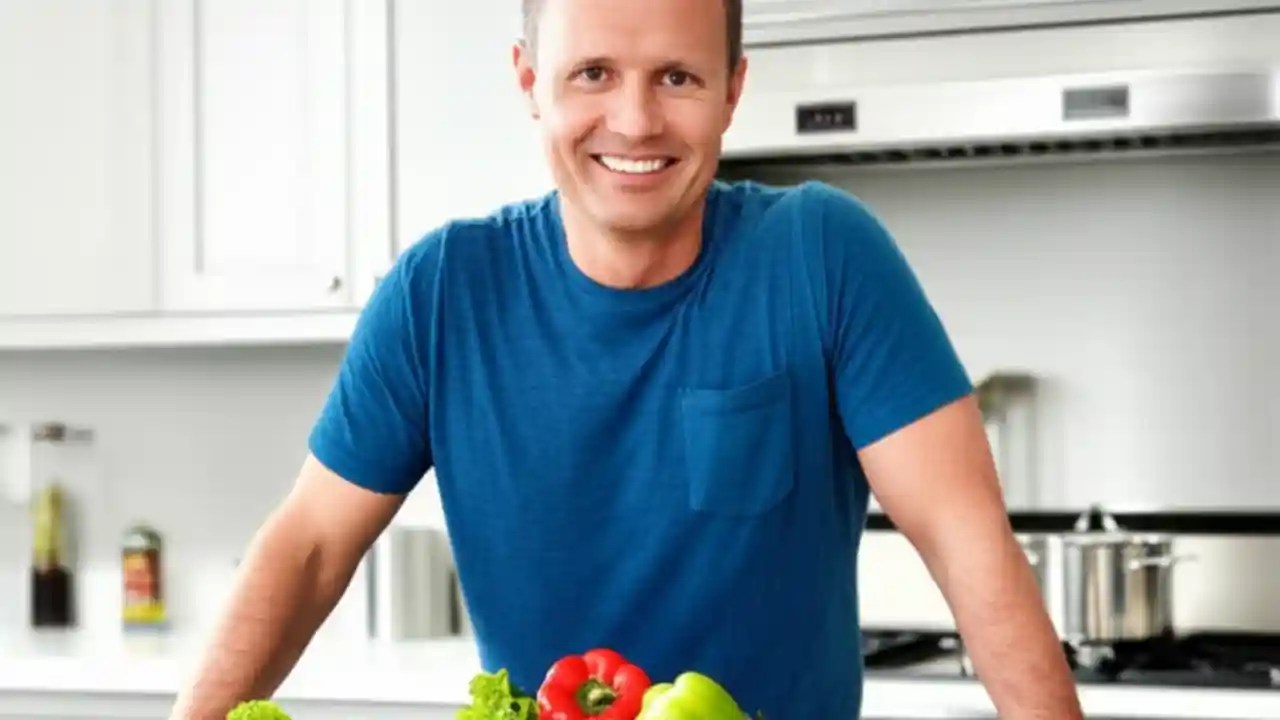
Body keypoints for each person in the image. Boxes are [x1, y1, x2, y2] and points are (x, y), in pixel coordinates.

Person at [170, 0, 1084, 717]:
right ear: (530, 80)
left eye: (677, 77)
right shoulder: (442, 293)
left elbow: (966, 542)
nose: (636, 121)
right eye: (594, 73)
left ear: (732, 89)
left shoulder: (824, 256)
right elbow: (310, 547)